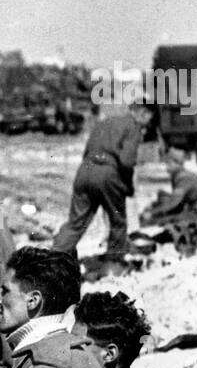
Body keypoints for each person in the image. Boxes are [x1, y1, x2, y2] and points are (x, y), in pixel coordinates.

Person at [52, 103, 153, 260]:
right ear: (144, 113)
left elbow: (87, 150)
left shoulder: (105, 122)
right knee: (118, 222)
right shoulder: (133, 127)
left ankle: (52, 259)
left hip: (84, 171)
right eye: (149, 119)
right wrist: (128, 186)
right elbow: (127, 161)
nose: (147, 124)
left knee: (75, 223)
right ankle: (114, 265)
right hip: (108, 174)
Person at [140, 147, 197, 226]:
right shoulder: (177, 175)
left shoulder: (185, 177)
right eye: (165, 163)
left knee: (156, 222)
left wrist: (153, 212)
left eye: (168, 163)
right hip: (187, 208)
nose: (165, 167)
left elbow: (174, 202)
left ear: (177, 163)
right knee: (161, 196)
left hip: (195, 212)